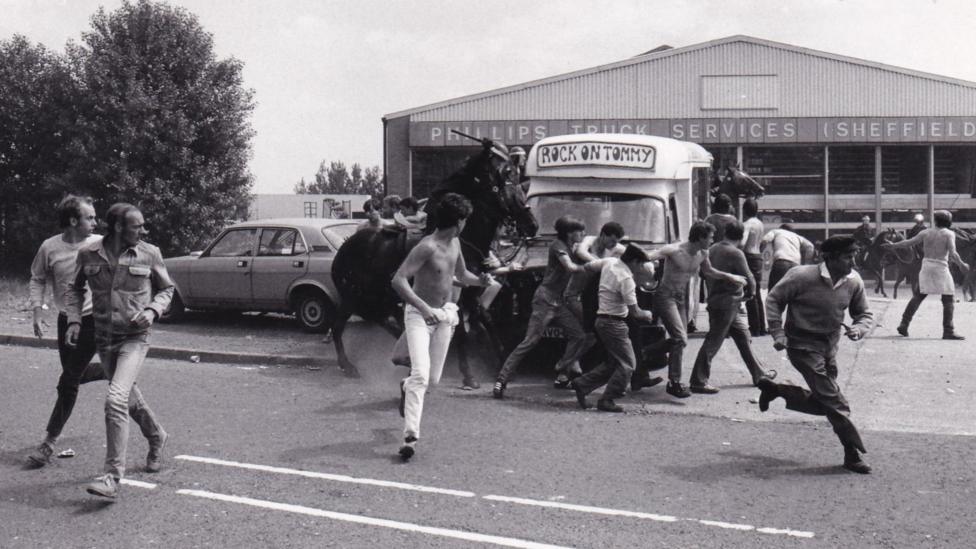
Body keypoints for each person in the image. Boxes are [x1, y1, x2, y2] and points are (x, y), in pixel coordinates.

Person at [66, 203, 173, 499]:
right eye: (137, 226)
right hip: (104, 339)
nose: (143, 231)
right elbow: (74, 289)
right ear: (117, 227)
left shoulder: (149, 253)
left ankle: (112, 477)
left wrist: (152, 310)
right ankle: (157, 435)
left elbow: (167, 289)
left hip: (135, 338)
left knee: (115, 400)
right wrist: (74, 320)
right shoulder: (88, 254)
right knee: (128, 398)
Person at [759, 235, 874, 474]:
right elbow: (774, 299)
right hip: (801, 346)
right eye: (848, 257)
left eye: (854, 256)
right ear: (829, 258)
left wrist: (859, 328)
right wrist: (777, 332)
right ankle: (852, 453)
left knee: (825, 402)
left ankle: (777, 390)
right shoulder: (801, 276)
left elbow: (864, 314)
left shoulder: (854, 281)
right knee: (836, 401)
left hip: (829, 347)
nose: (853, 262)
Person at [392, 193, 492, 460]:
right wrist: (424, 309)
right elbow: (398, 280)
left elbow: (461, 275)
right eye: (465, 220)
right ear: (459, 221)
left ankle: (406, 385)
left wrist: (480, 281)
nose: (466, 224)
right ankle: (410, 437)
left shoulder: (455, 243)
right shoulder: (427, 246)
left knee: (432, 380)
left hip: (445, 315)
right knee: (421, 375)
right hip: (419, 315)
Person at [26, 195, 105, 466]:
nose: (95, 222)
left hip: (94, 320)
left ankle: (48, 442)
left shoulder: (101, 244)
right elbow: (37, 278)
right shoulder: (49, 247)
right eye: (90, 217)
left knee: (68, 380)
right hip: (66, 320)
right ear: (73, 221)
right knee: (76, 375)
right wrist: (37, 311)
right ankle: (110, 370)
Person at [645, 221, 748, 398]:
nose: (712, 241)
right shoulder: (674, 250)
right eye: (710, 238)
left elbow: (709, 271)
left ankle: (643, 354)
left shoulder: (703, 253)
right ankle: (674, 382)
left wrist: (730, 277)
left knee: (680, 340)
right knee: (680, 338)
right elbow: (647, 257)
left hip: (682, 298)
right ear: (700, 237)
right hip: (666, 296)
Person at [493, 216, 592, 399]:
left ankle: (562, 368)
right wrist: (592, 266)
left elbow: (589, 243)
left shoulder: (571, 246)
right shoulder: (557, 246)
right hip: (545, 300)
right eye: (580, 231)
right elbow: (570, 267)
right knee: (530, 341)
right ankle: (501, 380)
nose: (583, 234)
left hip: (559, 302)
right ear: (569, 233)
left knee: (579, 336)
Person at [689, 220, 776, 393]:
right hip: (727, 303)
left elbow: (705, 273)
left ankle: (759, 374)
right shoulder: (735, 253)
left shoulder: (712, 249)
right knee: (713, 342)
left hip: (719, 301)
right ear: (741, 236)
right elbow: (749, 277)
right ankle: (698, 381)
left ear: (725, 233)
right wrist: (751, 294)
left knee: (743, 337)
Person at [569, 245, 655, 413]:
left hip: (601, 320)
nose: (641, 268)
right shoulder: (626, 279)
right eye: (640, 264)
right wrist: (648, 314)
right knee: (628, 364)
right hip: (615, 324)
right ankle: (607, 399)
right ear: (634, 262)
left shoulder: (609, 262)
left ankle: (582, 384)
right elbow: (636, 312)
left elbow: (587, 267)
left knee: (613, 363)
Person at [884, 210, 969, 340]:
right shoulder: (949, 234)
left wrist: (893, 245)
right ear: (949, 222)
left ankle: (904, 324)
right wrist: (962, 264)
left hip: (926, 265)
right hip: (941, 266)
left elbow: (908, 242)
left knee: (918, 295)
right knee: (948, 298)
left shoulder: (925, 232)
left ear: (935, 221)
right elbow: (953, 253)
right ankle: (948, 330)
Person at [560, 221, 627, 388]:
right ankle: (565, 367)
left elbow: (629, 252)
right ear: (603, 235)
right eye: (611, 241)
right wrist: (603, 263)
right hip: (572, 296)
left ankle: (570, 365)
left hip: (587, 298)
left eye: (616, 242)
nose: (613, 245)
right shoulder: (589, 241)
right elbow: (581, 252)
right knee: (588, 334)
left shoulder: (613, 248)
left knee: (589, 335)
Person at [741, 198, 767, 336]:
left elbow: (742, 242)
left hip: (748, 257)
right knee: (756, 292)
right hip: (758, 256)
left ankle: (754, 327)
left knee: (750, 291)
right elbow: (763, 242)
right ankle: (761, 327)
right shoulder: (759, 223)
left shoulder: (747, 224)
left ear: (744, 210)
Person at [762, 223, 815, 290]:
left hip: (781, 261)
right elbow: (810, 246)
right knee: (792, 290)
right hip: (796, 265)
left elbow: (765, 240)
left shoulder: (776, 231)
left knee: (774, 289)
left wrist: (760, 250)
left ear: (781, 228)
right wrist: (806, 263)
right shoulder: (797, 236)